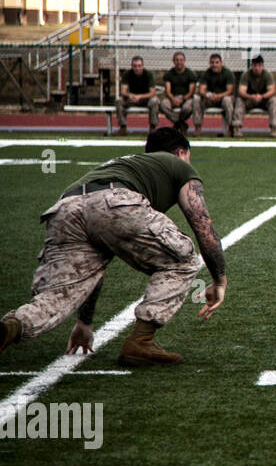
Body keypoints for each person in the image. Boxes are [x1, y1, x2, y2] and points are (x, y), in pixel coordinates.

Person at [0, 127, 227, 366]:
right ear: (181, 153)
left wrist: (84, 322)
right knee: (184, 258)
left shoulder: (125, 164)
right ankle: (141, 340)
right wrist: (219, 281)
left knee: (56, 296)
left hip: (65, 207)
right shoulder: (178, 164)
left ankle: (10, 328)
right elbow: (204, 228)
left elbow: (94, 263)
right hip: (116, 201)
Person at [234, 55, 276, 138]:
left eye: (259, 66)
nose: (257, 68)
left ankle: (274, 128)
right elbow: (241, 91)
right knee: (239, 100)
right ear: (252, 66)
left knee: (273, 100)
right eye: (255, 65)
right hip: (250, 100)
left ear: (262, 66)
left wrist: (262, 96)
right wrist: (250, 96)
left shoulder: (267, 75)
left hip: (264, 100)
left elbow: (272, 91)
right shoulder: (246, 74)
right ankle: (236, 127)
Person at [114, 55, 160, 135]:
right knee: (119, 101)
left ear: (142, 66)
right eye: (135, 66)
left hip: (145, 98)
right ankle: (123, 127)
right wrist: (130, 95)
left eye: (139, 66)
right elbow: (123, 91)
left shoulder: (148, 74)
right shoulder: (127, 74)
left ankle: (153, 128)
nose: (137, 68)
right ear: (132, 66)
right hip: (132, 98)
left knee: (154, 101)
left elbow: (153, 92)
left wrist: (140, 96)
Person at [193, 52, 236, 137]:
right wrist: (208, 95)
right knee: (196, 98)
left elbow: (230, 90)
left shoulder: (228, 73)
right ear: (209, 63)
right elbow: (201, 90)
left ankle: (231, 128)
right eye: (212, 62)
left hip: (223, 98)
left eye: (217, 62)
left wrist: (218, 96)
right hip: (209, 98)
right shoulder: (206, 74)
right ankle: (198, 127)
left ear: (221, 63)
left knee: (227, 100)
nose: (214, 65)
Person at [159, 51, 198, 131]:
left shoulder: (190, 74)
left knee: (188, 107)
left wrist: (182, 99)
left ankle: (178, 124)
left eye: (181, 60)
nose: (179, 62)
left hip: (186, 98)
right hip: (172, 98)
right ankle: (180, 123)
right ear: (173, 61)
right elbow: (168, 91)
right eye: (177, 60)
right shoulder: (169, 74)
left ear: (184, 61)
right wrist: (173, 99)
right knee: (163, 105)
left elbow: (191, 92)